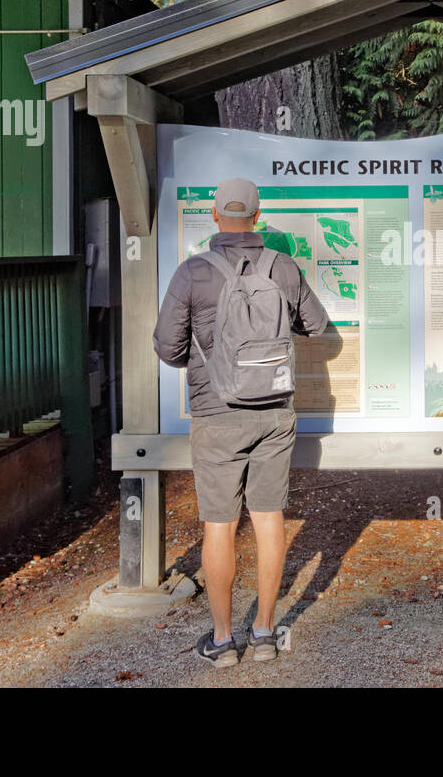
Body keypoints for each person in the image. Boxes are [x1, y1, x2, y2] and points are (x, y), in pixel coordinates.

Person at [153, 177, 328, 667]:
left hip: (216, 416)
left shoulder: (192, 273)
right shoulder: (282, 266)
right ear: (257, 216)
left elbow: (167, 347)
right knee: (269, 518)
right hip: (274, 412)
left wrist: (210, 361)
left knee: (219, 525)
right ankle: (266, 632)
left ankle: (225, 641)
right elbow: (315, 325)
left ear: (215, 216)